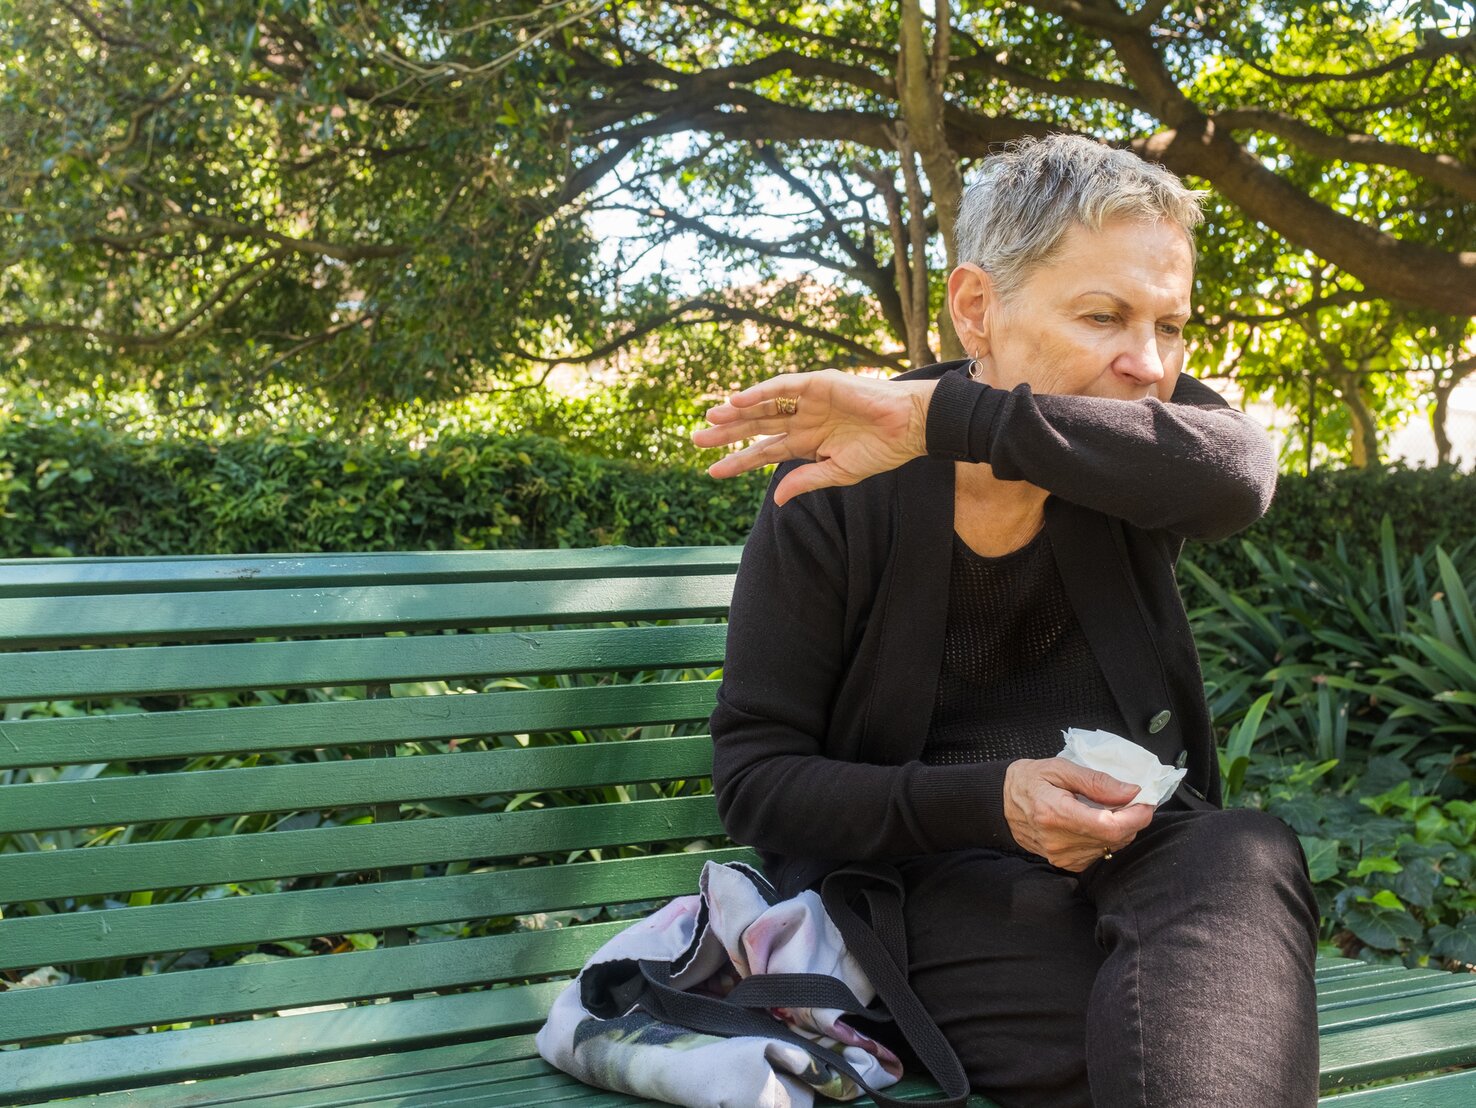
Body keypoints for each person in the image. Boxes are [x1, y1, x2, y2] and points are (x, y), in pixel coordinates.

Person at [692, 135, 1319, 1108]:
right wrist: (996, 800)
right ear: (978, 307)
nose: (1149, 364)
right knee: (1170, 1044)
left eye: (1171, 325)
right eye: (1103, 315)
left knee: (1246, 854)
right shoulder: (834, 496)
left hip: (1147, 858)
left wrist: (946, 419)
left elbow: (1240, 473)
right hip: (926, 881)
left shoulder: (1127, 444)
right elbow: (757, 781)